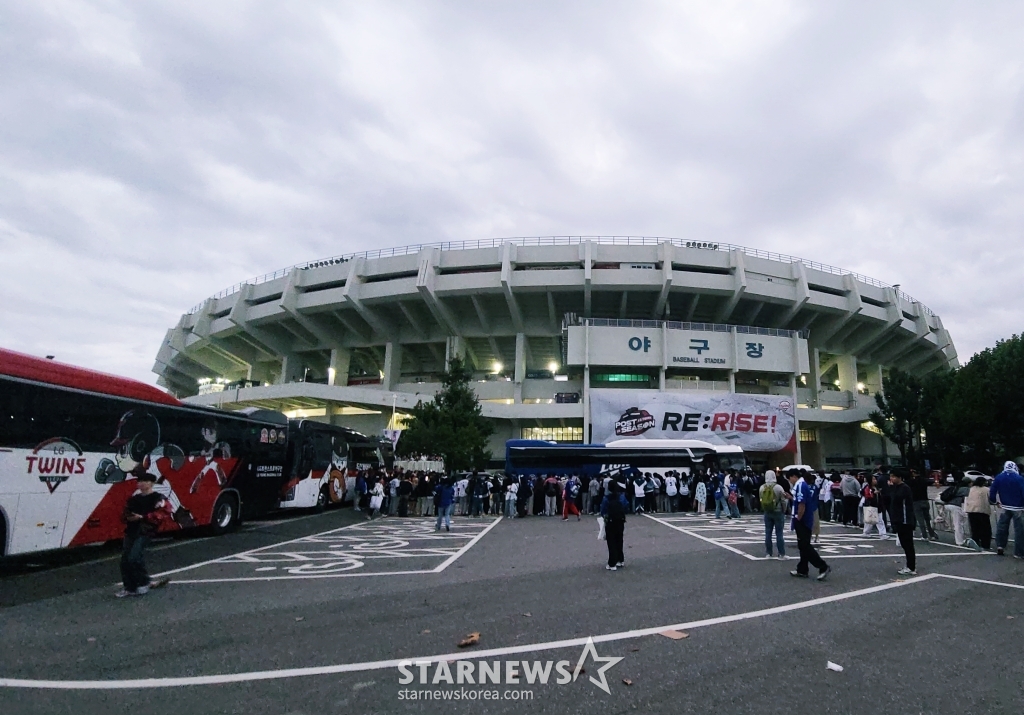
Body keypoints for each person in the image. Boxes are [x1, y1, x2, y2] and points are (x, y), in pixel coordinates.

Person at [117, 471, 173, 598]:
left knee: (134, 557)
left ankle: (142, 583)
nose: (141, 484)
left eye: (145, 481)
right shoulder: (133, 499)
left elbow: (165, 512)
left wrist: (143, 517)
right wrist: (128, 517)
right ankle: (130, 587)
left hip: (146, 531)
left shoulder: (158, 498)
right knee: (125, 560)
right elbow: (124, 514)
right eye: (139, 481)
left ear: (151, 483)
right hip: (131, 530)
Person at [787, 470, 830, 581]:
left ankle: (823, 566)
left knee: (805, 545)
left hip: (803, 520)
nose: (789, 481)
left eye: (789, 478)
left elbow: (802, 504)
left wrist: (798, 518)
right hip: (805, 519)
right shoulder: (803, 485)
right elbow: (800, 500)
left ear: (793, 476)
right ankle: (802, 569)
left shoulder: (800, 485)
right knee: (803, 545)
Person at [989, 461, 1024, 558]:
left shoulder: (999, 477)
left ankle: (1000, 546)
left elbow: (992, 491)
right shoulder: (1019, 478)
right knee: (1019, 530)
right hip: (1018, 507)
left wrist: (994, 500)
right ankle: (1019, 552)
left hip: (1004, 506)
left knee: (1002, 527)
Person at [888, 468, 917, 575]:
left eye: (894, 476)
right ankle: (910, 566)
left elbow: (903, 504)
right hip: (899, 519)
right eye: (891, 476)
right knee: (905, 544)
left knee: (908, 544)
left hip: (905, 520)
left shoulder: (904, 488)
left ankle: (911, 567)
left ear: (899, 477)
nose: (891, 478)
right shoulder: (895, 487)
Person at [760, 470, 789, 559]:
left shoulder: (762, 487)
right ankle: (781, 553)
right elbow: (783, 500)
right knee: (779, 533)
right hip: (778, 511)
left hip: (767, 512)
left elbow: (761, 499)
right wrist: (784, 510)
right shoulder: (778, 487)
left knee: (768, 533)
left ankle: (768, 553)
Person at [601, 480, 630, 571]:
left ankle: (612, 563)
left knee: (611, 542)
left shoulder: (606, 498)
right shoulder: (621, 497)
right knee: (619, 540)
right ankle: (620, 560)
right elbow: (626, 506)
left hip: (610, 521)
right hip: (620, 520)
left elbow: (603, 510)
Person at [908, 468, 938, 541]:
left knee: (920, 520)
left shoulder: (911, 482)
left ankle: (924, 536)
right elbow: (934, 482)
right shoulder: (924, 480)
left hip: (916, 502)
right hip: (925, 500)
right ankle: (932, 534)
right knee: (927, 519)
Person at [941, 473, 970, 546]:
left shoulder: (957, 487)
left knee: (957, 522)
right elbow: (966, 499)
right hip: (956, 506)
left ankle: (937, 521)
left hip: (948, 504)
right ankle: (959, 541)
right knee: (958, 524)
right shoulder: (966, 489)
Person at [964, 476, 992, 550]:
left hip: (971, 510)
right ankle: (985, 545)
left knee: (975, 528)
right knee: (985, 529)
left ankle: (975, 542)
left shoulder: (971, 489)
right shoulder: (986, 489)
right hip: (982, 510)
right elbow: (991, 499)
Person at [861, 474, 889, 540]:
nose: (875, 480)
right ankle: (882, 534)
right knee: (873, 521)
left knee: (873, 520)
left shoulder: (876, 487)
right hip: (872, 506)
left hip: (876, 506)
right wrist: (874, 493)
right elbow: (868, 496)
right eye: (873, 479)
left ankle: (866, 532)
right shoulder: (868, 488)